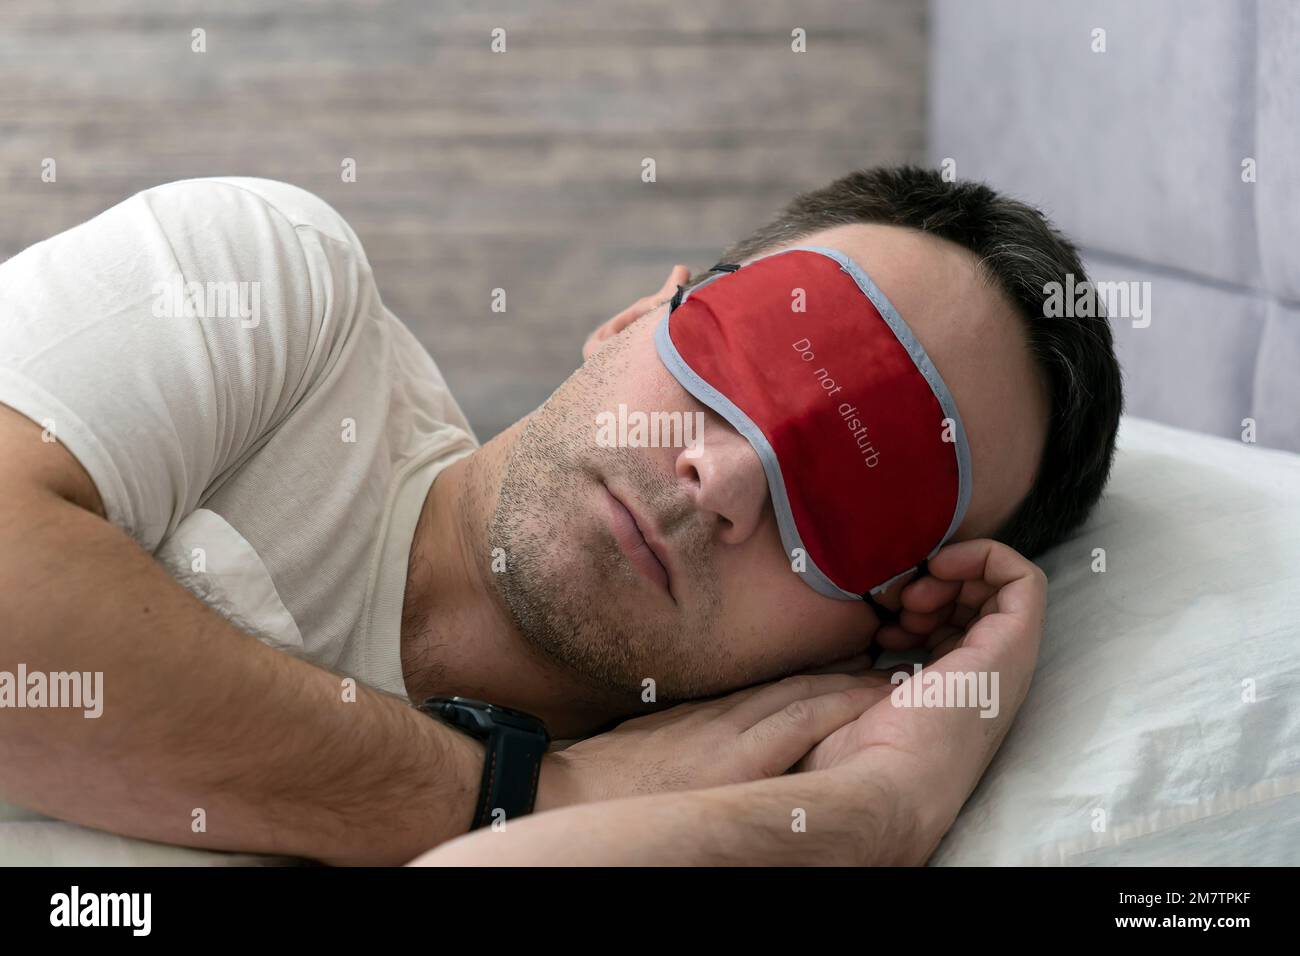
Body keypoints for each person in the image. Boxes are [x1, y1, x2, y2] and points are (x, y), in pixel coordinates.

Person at [0, 166, 1121, 865]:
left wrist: (874, 811)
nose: (721, 480)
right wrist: (517, 790)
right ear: (631, 317)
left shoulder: (697, 829)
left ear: (891, 627)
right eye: (752, 355)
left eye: (847, 496)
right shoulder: (274, 297)